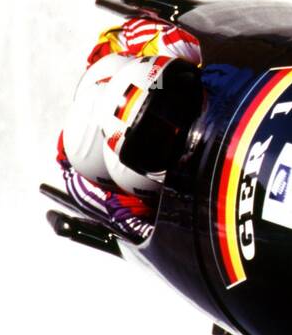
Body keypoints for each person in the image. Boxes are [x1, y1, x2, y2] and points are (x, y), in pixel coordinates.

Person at [57, 17, 203, 240]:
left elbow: (200, 39)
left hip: (137, 59)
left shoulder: (155, 62)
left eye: (171, 108)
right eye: (157, 140)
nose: (174, 129)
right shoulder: (124, 198)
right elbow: (164, 244)